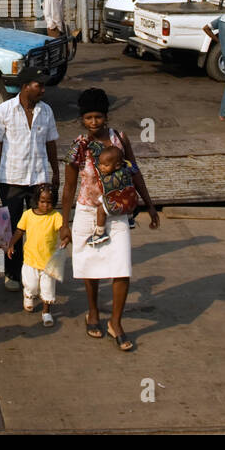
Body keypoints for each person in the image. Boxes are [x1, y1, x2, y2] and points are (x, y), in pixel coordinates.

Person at [60, 88, 159, 352]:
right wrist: (64, 222)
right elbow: (69, 187)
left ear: (107, 116)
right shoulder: (78, 146)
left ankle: (116, 322)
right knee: (90, 266)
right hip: (86, 211)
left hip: (117, 213)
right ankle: (93, 312)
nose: (94, 122)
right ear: (82, 119)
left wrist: (149, 205)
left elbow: (134, 171)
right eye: (89, 117)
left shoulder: (120, 139)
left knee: (121, 266)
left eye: (99, 117)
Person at [0, 68, 59, 293]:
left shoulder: (46, 112)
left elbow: (51, 143)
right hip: (11, 179)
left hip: (39, 179)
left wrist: (56, 172)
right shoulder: (4, 111)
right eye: (39, 85)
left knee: (40, 229)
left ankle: (39, 270)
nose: (43, 90)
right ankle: (13, 273)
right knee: (14, 229)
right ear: (25, 86)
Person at [5, 184, 64, 327]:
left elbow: (62, 229)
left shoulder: (55, 216)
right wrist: (11, 244)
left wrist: (66, 238)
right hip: (30, 260)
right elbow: (19, 231)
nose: (46, 205)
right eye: (42, 201)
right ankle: (28, 295)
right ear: (36, 200)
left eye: (49, 202)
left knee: (48, 288)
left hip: (49, 262)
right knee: (30, 284)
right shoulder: (27, 215)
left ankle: (46, 312)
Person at [90, 146, 140, 247]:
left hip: (118, 204)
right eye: (100, 164)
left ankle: (100, 232)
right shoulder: (127, 170)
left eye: (106, 165)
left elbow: (108, 192)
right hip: (133, 202)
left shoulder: (111, 178)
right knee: (129, 196)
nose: (102, 167)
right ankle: (130, 219)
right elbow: (134, 168)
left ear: (117, 166)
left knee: (101, 210)